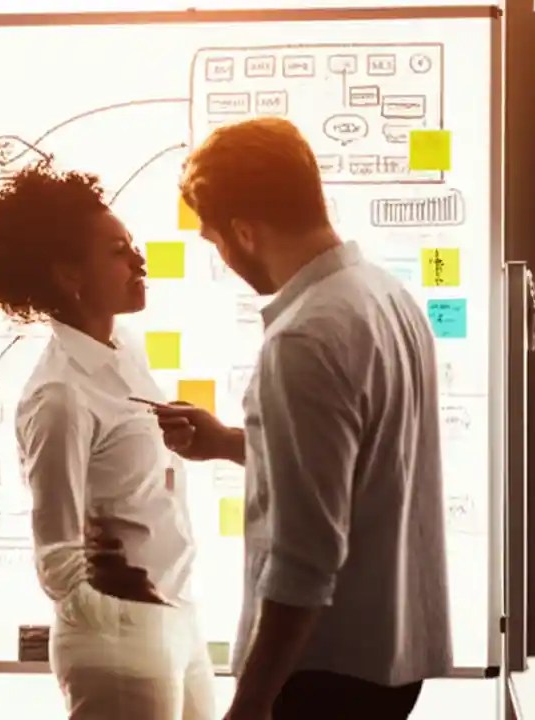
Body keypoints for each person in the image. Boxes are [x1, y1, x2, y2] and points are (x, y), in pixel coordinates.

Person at [161, 116, 453, 720]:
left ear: (244, 231)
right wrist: (228, 443)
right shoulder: (385, 297)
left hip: (323, 671)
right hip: (389, 660)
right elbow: (356, 460)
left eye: (215, 241)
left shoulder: (303, 338)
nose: (223, 257)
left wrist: (250, 704)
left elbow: (305, 556)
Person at [0, 161, 215, 719]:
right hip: (122, 640)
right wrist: (117, 619)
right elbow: (56, 555)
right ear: (68, 275)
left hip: (177, 614)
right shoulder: (59, 395)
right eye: (118, 251)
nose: (139, 260)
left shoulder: (124, 349)